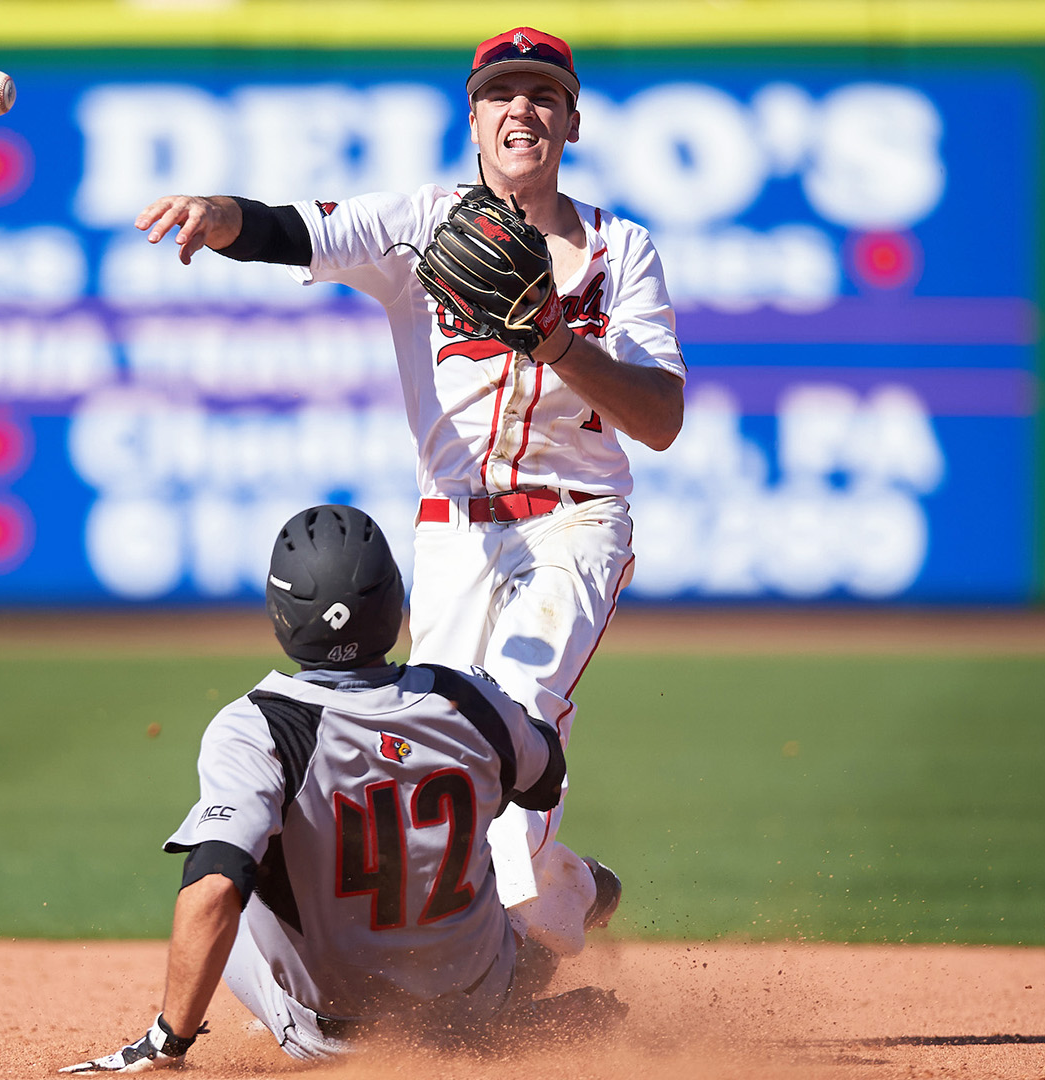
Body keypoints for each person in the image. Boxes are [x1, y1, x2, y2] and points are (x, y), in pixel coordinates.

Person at [133, 26, 683, 955]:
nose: (523, 109)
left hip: (576, 521)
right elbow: (291, 229)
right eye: (503, 93)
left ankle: (533, 972)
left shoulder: (621, 249)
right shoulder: (420, 223)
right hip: (453, 531)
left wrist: (555, 338)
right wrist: (216, 214)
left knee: (512, 717)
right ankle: (570, 888)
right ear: (473, 119)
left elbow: (661, 418)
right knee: (447, 749)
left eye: (544, 95)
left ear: (573, 122)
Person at [61, 504, 617, 1072]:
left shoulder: (256, 727)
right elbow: (544, 781)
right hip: (472, 1001)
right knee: (500, 855)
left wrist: (167, 1040)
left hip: (332, 1035)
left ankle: (464, 1010)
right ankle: (559, 934)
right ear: (394, 602)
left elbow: (213, 892)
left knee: (234, 863)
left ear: (280, 613)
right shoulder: (471, 700)